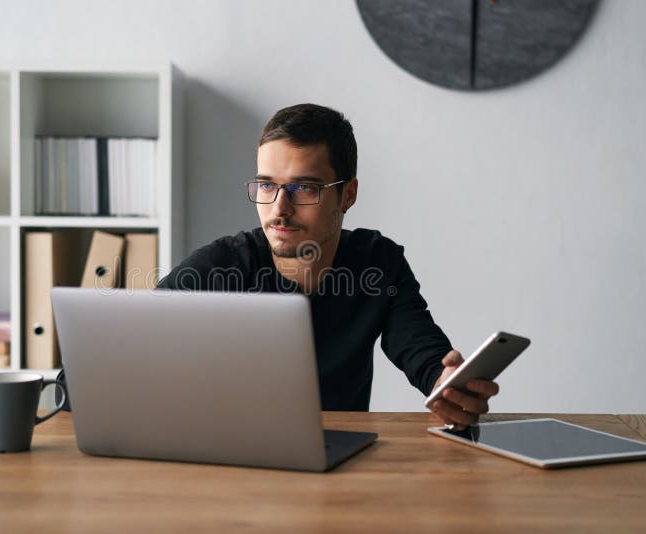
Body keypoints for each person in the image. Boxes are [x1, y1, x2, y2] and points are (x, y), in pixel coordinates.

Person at [156, 103, 499, 428]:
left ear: (348, 194)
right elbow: (140, 345)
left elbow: (421, 350)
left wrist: (448, 385)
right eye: (266, 185)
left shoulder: (377, 262)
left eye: (303, 187)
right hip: (232, 460)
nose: (279, 208)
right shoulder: (219, 267)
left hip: (339, 463)